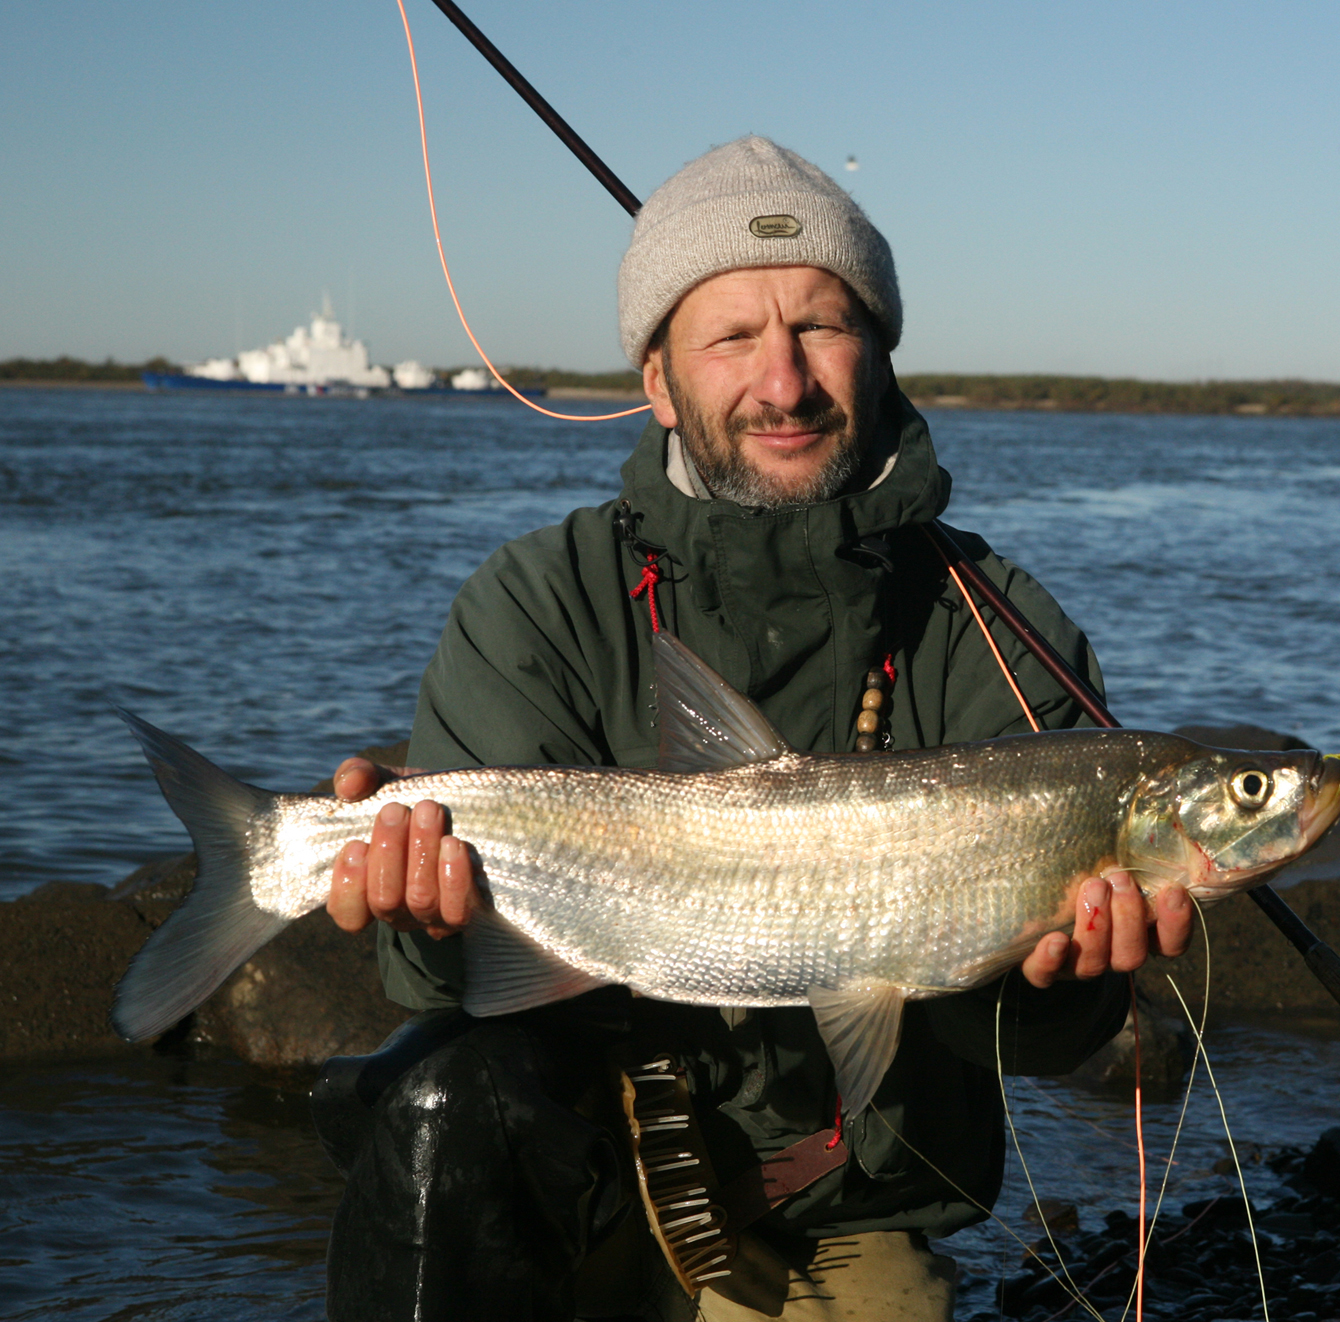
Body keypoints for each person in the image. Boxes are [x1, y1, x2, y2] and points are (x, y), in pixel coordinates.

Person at [314, 136, 1191, 1322]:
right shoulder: (537, 602)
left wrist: (1058, 984)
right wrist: (423, 918)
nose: (783, 382)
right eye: (730, 336)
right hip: (575, 1173)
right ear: (657, 379)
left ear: (876, 353)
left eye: (820, 325)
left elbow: (1034, 1033)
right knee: (440, 1103)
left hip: (838, 1209)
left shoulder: (999, 630)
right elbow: (447, 976)